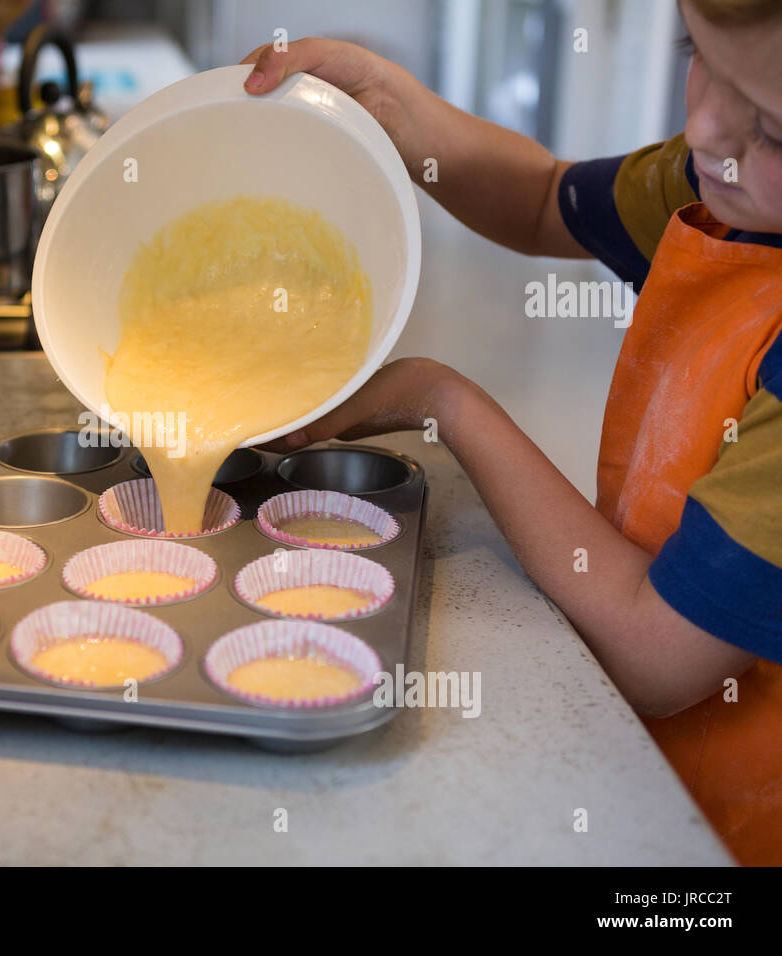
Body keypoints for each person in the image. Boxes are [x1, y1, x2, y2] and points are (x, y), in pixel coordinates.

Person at [241, 0, 782, 864]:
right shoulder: (726, 186)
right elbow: (540, 199)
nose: (704, 126)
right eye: (700, 57)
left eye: (773, 129)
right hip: (647, 772)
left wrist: (444, 401)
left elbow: (657, 650)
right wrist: (393, 102)